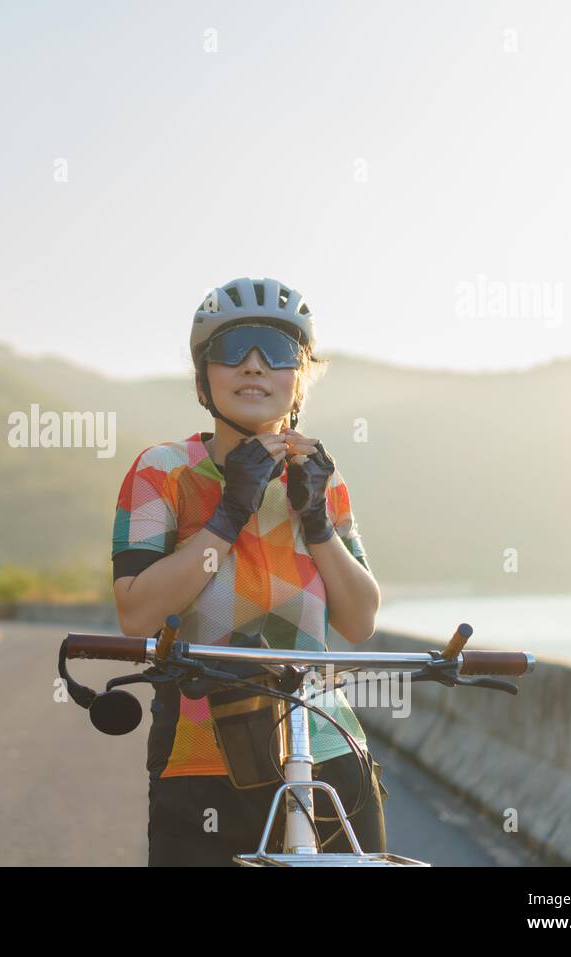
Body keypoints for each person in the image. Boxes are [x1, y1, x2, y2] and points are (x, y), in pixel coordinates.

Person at [110, 277, 389, 866]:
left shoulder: (321, 475)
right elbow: (137, 613)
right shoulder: (164, 470)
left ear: (301, 378)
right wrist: (229, 513)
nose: (254, 367)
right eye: (233, 350)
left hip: (327, 747)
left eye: (278, 352)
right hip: (200, 752)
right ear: (203, 377)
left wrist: (316, 522)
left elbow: (360, 621)